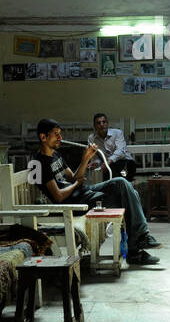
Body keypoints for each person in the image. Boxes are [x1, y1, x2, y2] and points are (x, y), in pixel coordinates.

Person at [33, 119, 162, 265]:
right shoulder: (39, 163)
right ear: (43, 137)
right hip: (74, 204)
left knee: (122, 184)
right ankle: (136, 249)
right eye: (56, 134)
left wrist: (85, 158)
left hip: (82, 193)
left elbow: (75, 177)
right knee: (128, 195)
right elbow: (58, 196)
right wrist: (76, 184)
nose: (60, 138)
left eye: (60, 134)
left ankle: (139, 243)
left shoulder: (56, 155)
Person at [88, 112, 136, 180]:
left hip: (125, 162)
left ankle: (117, 184)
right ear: (94, 125)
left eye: (104, 122)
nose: (102, 124)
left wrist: (109, 161)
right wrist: (96, 163)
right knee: (108, 171)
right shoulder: (92, 138)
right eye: (98, 123)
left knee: (111, 171)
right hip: (109, 166)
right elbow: (97, 157)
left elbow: (121, 152)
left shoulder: (117, 133)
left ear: (107, 123)